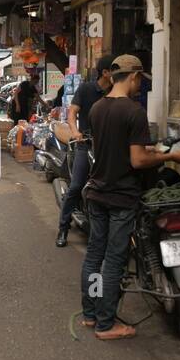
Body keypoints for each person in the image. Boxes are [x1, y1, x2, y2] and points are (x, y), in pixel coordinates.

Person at [80, 55, 180, 340]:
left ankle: (90, 315)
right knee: (114, 259)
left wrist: (153, 151)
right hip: (121, 195)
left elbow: (116, 148)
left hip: (97, 191)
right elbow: (137, 160)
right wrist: (171, 155)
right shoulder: (134, 111)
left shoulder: (96, 108)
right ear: (133, 77)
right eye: (140, 79)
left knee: (94, 255)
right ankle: (106, 324)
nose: (141, 84)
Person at [56, 55, 118, 248]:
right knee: (76, 187)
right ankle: (63, 228)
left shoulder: (117, 92)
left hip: (109, 147)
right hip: (86, 145)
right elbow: (72, 112)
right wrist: (75, 131)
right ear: (106, 72)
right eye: (115, 70)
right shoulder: (86, 89)